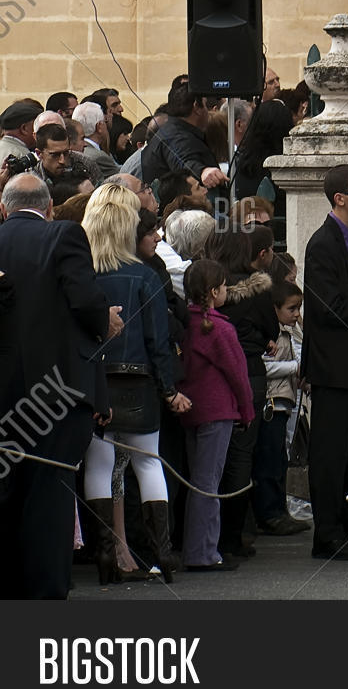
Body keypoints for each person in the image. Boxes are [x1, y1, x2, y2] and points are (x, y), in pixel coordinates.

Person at [0, 173, 119, 598]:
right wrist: (106, 321)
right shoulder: (64, 236)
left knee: (9, 492)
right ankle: (45, 592)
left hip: (7, 396)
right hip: (55, 397)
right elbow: (87, 303)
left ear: (3, 208)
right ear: (49, 207)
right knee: (49, 498)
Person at [80, 183, 190, 584]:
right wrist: (170, 389)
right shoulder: (144, 275)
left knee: (99, 464)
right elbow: (158, 342)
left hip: (95, 381)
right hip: (140, 380)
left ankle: (106, 559)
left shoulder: (82, 275)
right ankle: (162, 554)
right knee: (148, 463)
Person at [300, 164, 348, 560]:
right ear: (340, 198)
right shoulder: (323, 244)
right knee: (330, 454)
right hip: (333, 367)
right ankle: (328, 533)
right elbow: (329, 308)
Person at [179, 257, 254, 572]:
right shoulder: (221, 328)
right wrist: (247, 410)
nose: (227, 290)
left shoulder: (184, 323)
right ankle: (203, 552)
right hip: (218, 410)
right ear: (213, 292)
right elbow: (238, 374)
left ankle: (199, 547)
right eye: (223, 286)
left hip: (189, 410)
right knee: (208, 482)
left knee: (197, 479)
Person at [210, 224, 279, 559]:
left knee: (209, 457)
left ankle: (207, 532)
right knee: (241, 455)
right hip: (249, 371)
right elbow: (272, 328)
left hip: (209, 376)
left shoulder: (203, 284)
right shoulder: (258, 290)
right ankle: (233, 536)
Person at [254, 278, 310, 535]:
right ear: (275, 308)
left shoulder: (293, 330)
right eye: (291, 308)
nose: (296, 314)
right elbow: (265, 367)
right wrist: (296, 369)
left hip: (285, 401)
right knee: (271, 460)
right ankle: (271, 513)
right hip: (272, 403)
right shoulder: (271, 333)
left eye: (299, 308)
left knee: (280, 458)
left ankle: (279, 510)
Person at [140, 84, 224, 206]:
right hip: (185, 217)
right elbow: (184, 161)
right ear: (196, 106)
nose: (208, 112)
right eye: (205, 105)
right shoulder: (176, 136)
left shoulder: (174, 131)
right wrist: (203, 171)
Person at [72, 101, 119, 180]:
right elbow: (123, 178)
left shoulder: (76, 150)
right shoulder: (99, 157)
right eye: (104, 122)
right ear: (99, 126)